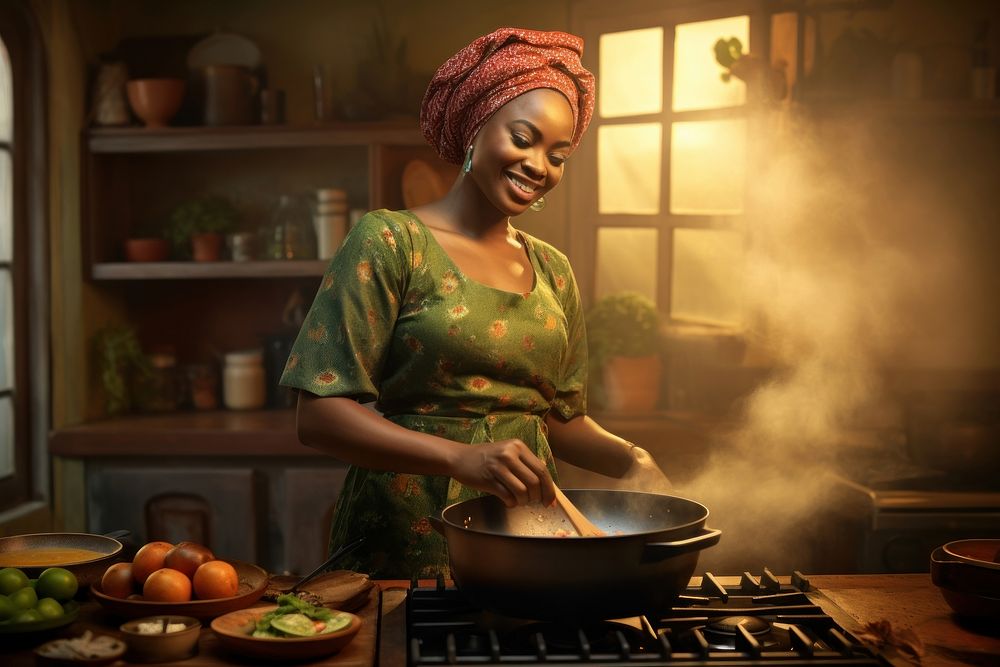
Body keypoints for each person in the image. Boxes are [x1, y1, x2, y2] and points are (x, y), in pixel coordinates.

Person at [280, 27, 669, 578]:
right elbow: (318, 416)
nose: (539, 165)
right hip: (405, 529)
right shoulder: (391, 241)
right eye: (523, 138)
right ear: (476, 126)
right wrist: (461, 457)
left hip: (526, 534)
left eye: (558, 155)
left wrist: (632, 459)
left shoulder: (553, 270)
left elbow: (558, 419)